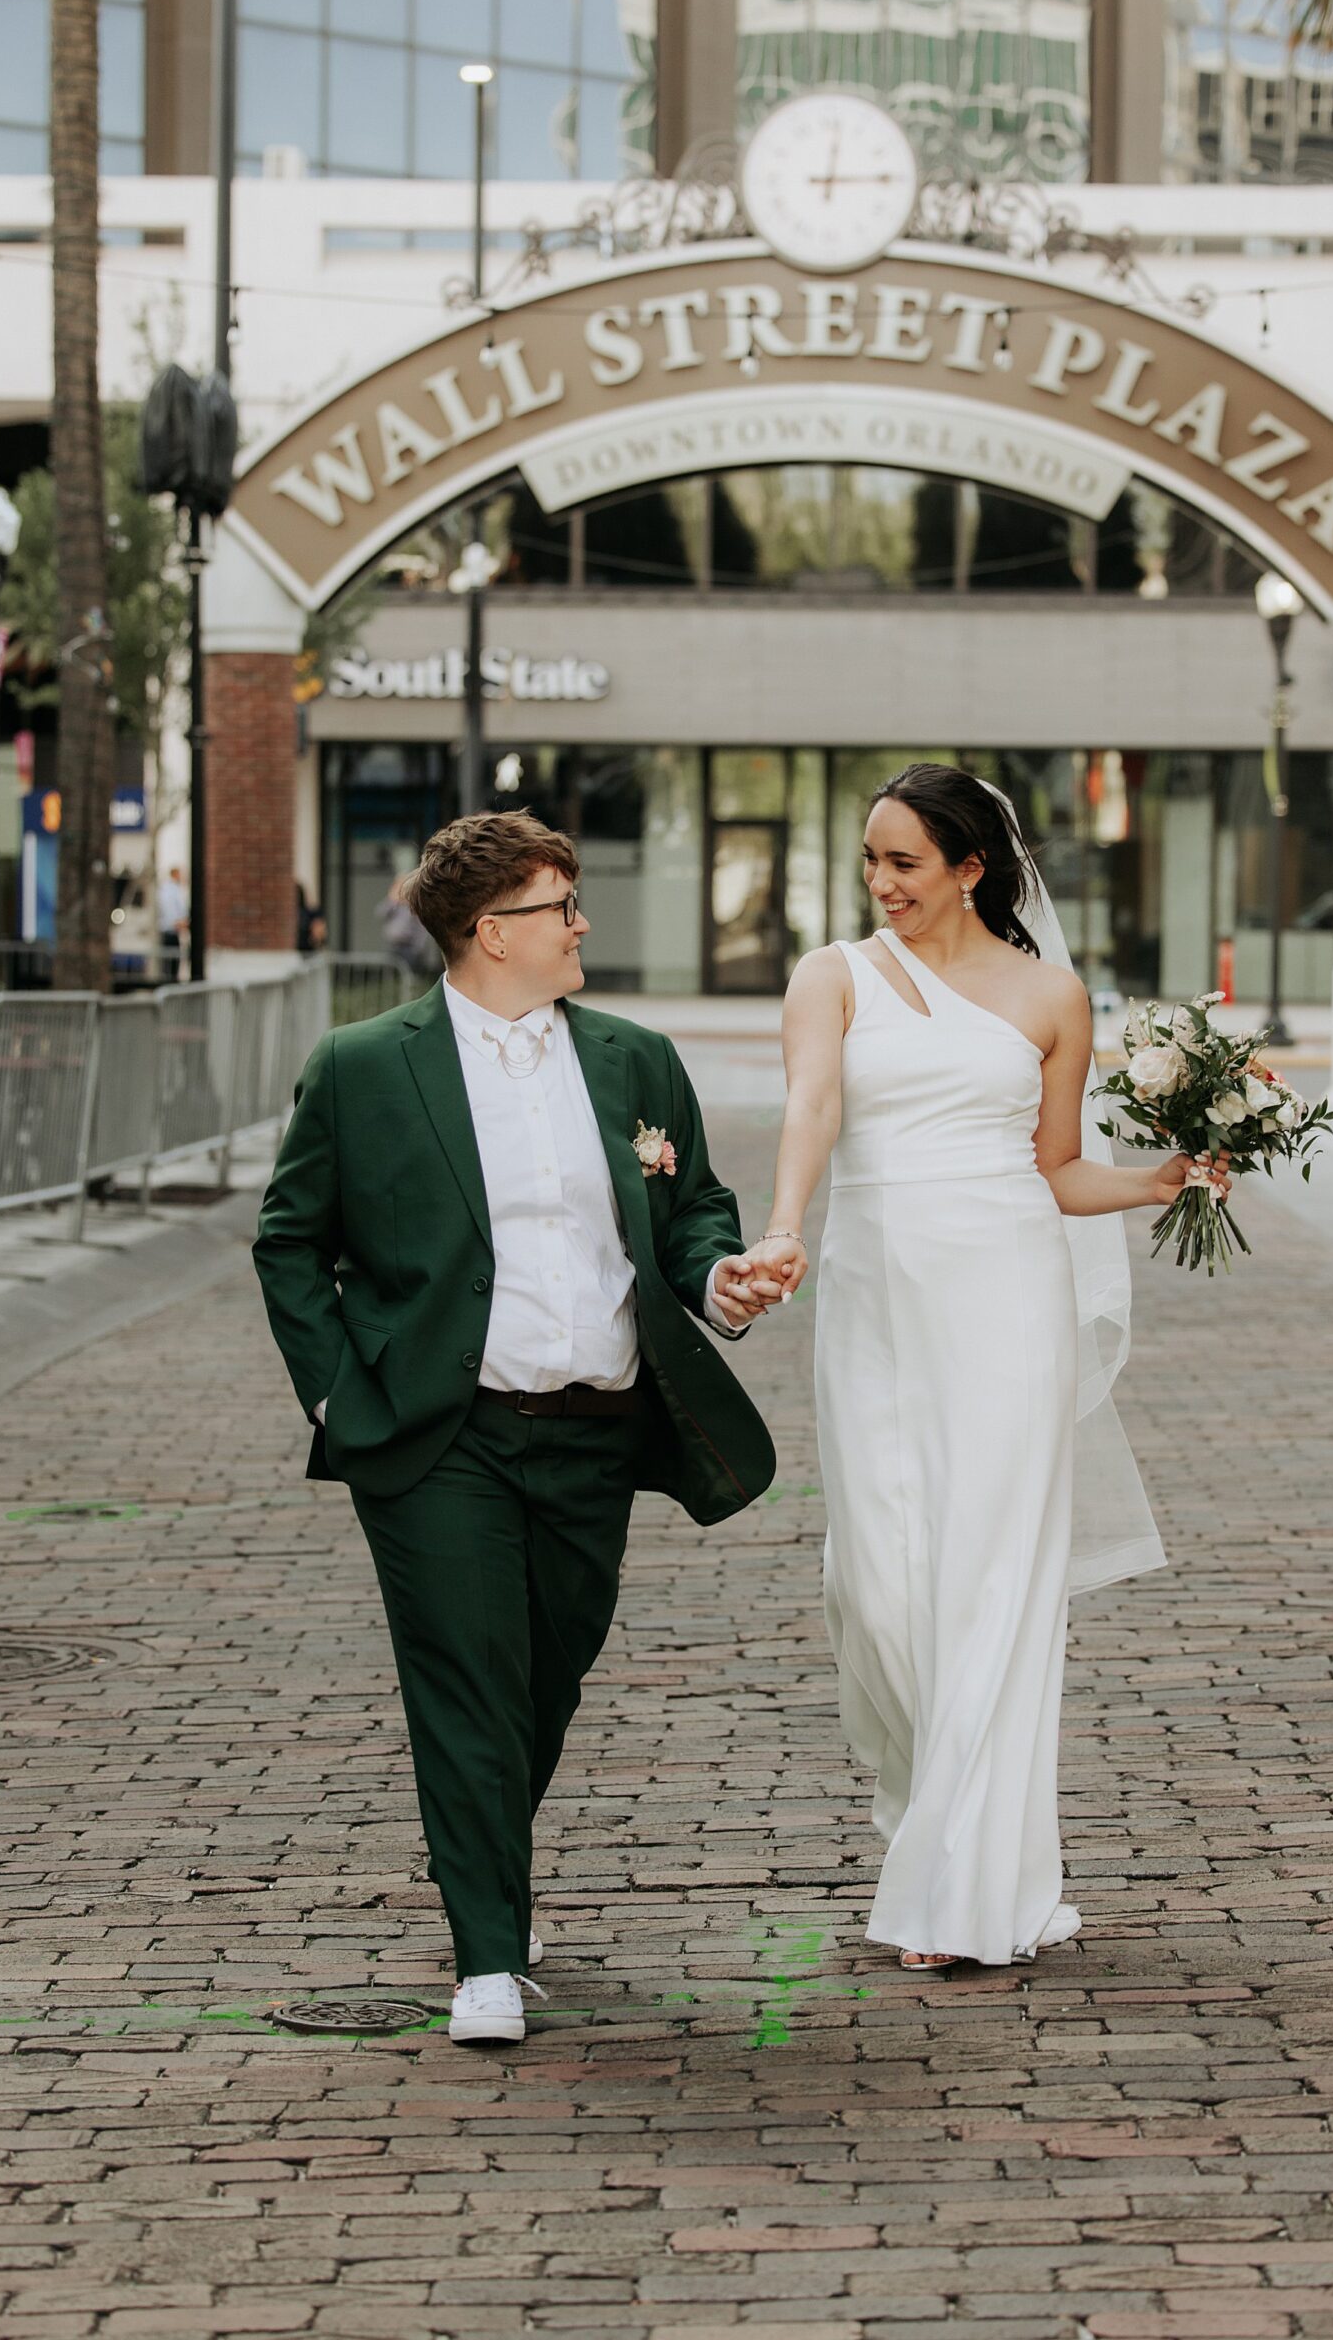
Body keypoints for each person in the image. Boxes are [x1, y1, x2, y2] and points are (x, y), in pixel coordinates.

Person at [253, 810, 782, 2046]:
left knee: (549, 1669)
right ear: (492, 932)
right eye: (561, 905)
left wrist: (717, 1280)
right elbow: (290, 1239)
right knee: (465, 1676)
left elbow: (694, 1203)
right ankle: (485, 1950)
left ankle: (490, 1863)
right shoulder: (363, 1067)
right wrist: (339, 1391)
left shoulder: (636, 1058)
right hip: (440, 1434)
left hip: (596, 1426)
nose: (582, 923)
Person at [739, 766, 1187, 1973]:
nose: (882, 884)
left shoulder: (1052, 995)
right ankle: (930, 1819)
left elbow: (1057, 1167)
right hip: (878, 1304)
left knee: (995, 1583)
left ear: (972, 869)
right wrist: (783, 1225)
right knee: (878, 1583)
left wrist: (1154, 1183)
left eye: (906, 864)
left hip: (1007, 1301)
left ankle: (969, 1884)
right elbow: (812, 1106)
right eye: (871, 862)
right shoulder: (832, 975)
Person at [156, 865, 188, 979]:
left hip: (172, 931)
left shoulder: (173, 889)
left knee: (173, 963)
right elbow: (171, 913)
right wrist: (180, 923)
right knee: (171, 966)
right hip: (170, 931)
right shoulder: (170, 891)